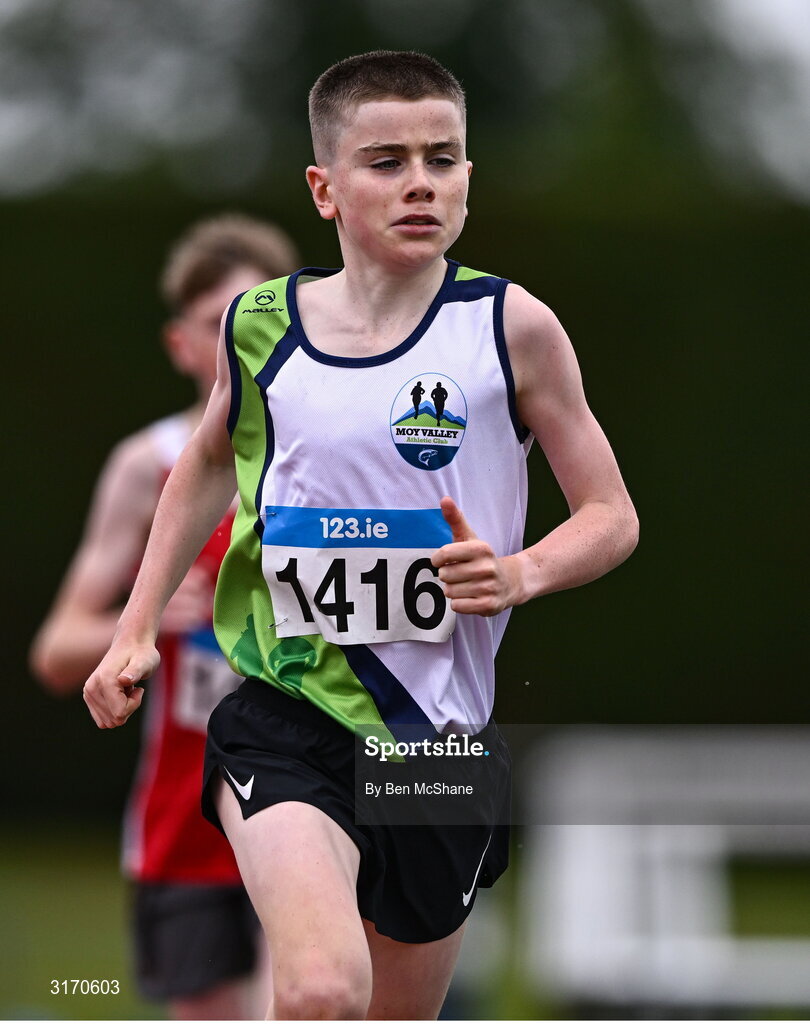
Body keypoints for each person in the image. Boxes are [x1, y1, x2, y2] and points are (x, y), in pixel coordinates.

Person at [82, 51, 639, 1020]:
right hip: (285, 710)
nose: (421, 182)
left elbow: (611, 514)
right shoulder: (260, 326)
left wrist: (519, 573)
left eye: (442, 158)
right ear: (325, 188)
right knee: (321, 990)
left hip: (435, 740)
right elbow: (206, 462)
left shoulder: (511, 329)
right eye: (386, 161)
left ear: (468, 177)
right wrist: (134, 628)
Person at [30, 214, 299, 1020]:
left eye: (259, 315)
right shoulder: (146, 468)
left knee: (311, 999)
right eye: (219, 324)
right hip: (189, 815)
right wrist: (145, 620)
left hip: (320, 785)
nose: (241, 341)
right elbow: (56, 651)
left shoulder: (337, 455)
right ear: (182, 345)